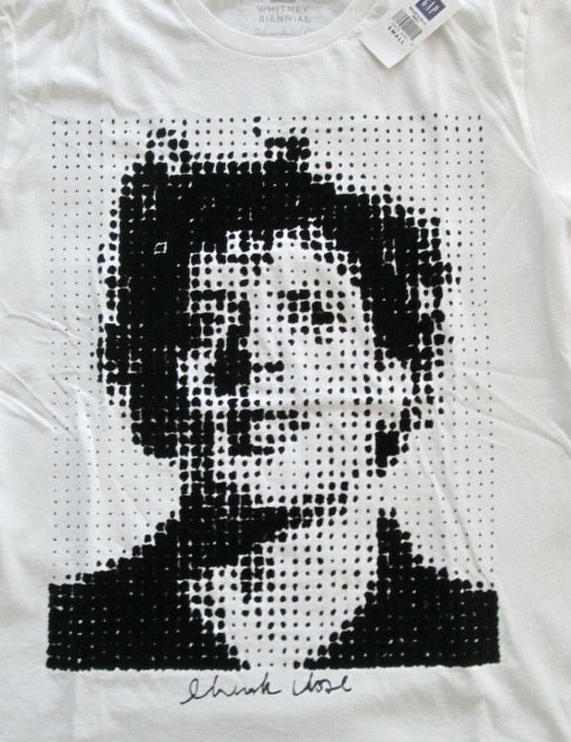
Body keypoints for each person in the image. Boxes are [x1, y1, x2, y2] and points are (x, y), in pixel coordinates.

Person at [47, 130, 499, 672]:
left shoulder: (470, 635)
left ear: (398, 370)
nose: (256, 353)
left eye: (313, 314)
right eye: (209, 317)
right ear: (157, 375)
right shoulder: (80, 632)